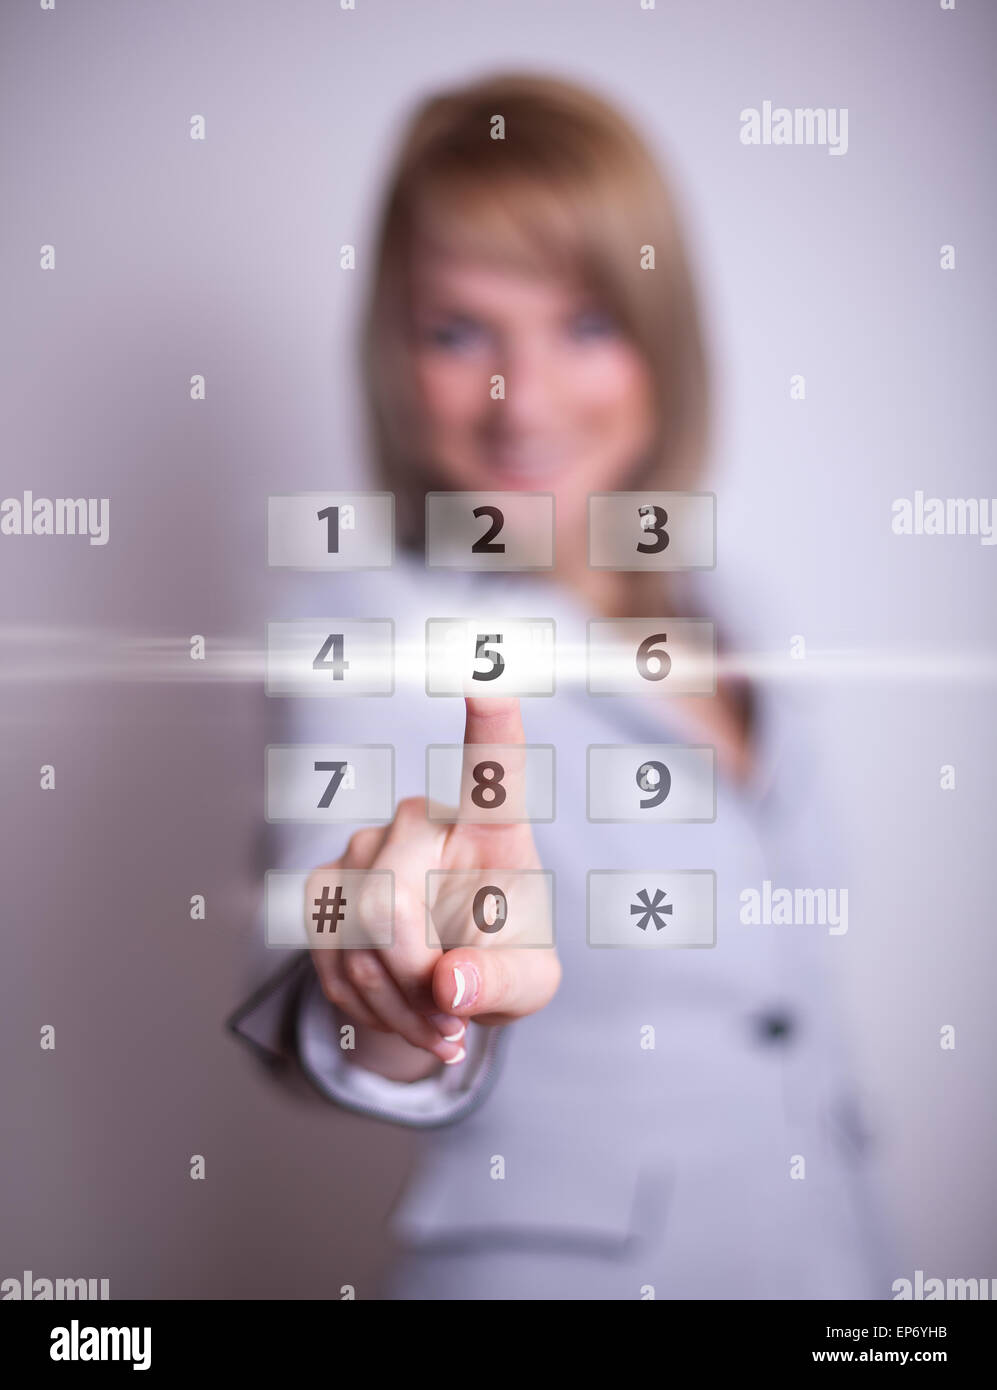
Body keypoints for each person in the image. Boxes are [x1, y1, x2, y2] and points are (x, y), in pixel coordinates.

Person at [230, 72, 889, 1299]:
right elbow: (324, 976)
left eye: (582, 323)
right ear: (394, 352)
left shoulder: (732, 610)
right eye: (457, 331)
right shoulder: (367, 627)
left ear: (660, 336)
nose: (518, 400)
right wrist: (397, 985)